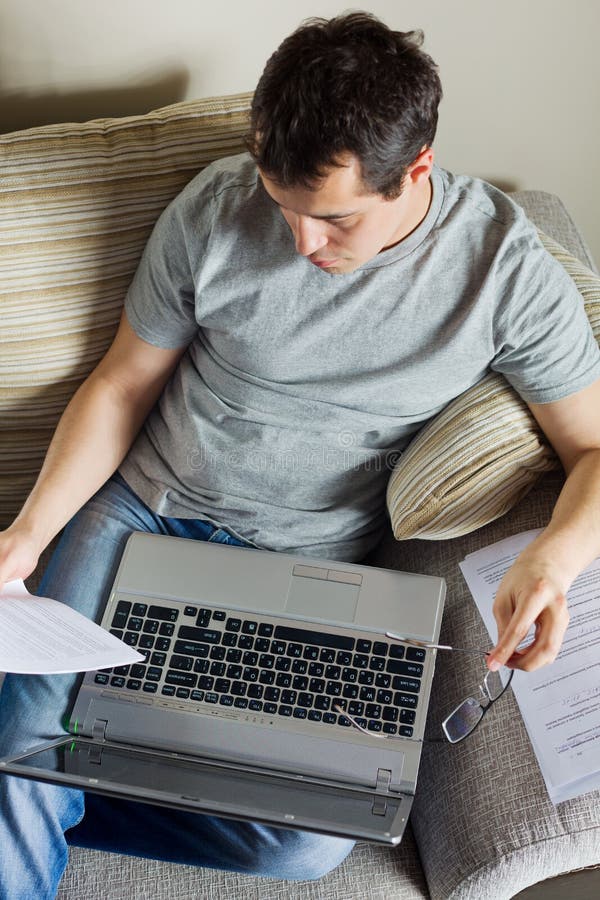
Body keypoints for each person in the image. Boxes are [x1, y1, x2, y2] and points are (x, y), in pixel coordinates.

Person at [1, 10, 599, 898]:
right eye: (282, 208)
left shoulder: (504, 275)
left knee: (303, 849)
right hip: (141, 511)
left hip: (307, 563)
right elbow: (124, 383)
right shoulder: (213, 205)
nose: (300, 244)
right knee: (26, 748)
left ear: (417, 171)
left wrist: (554, 558)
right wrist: (29, 533)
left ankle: (47, 796)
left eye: (333, 220)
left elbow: (593, 447)